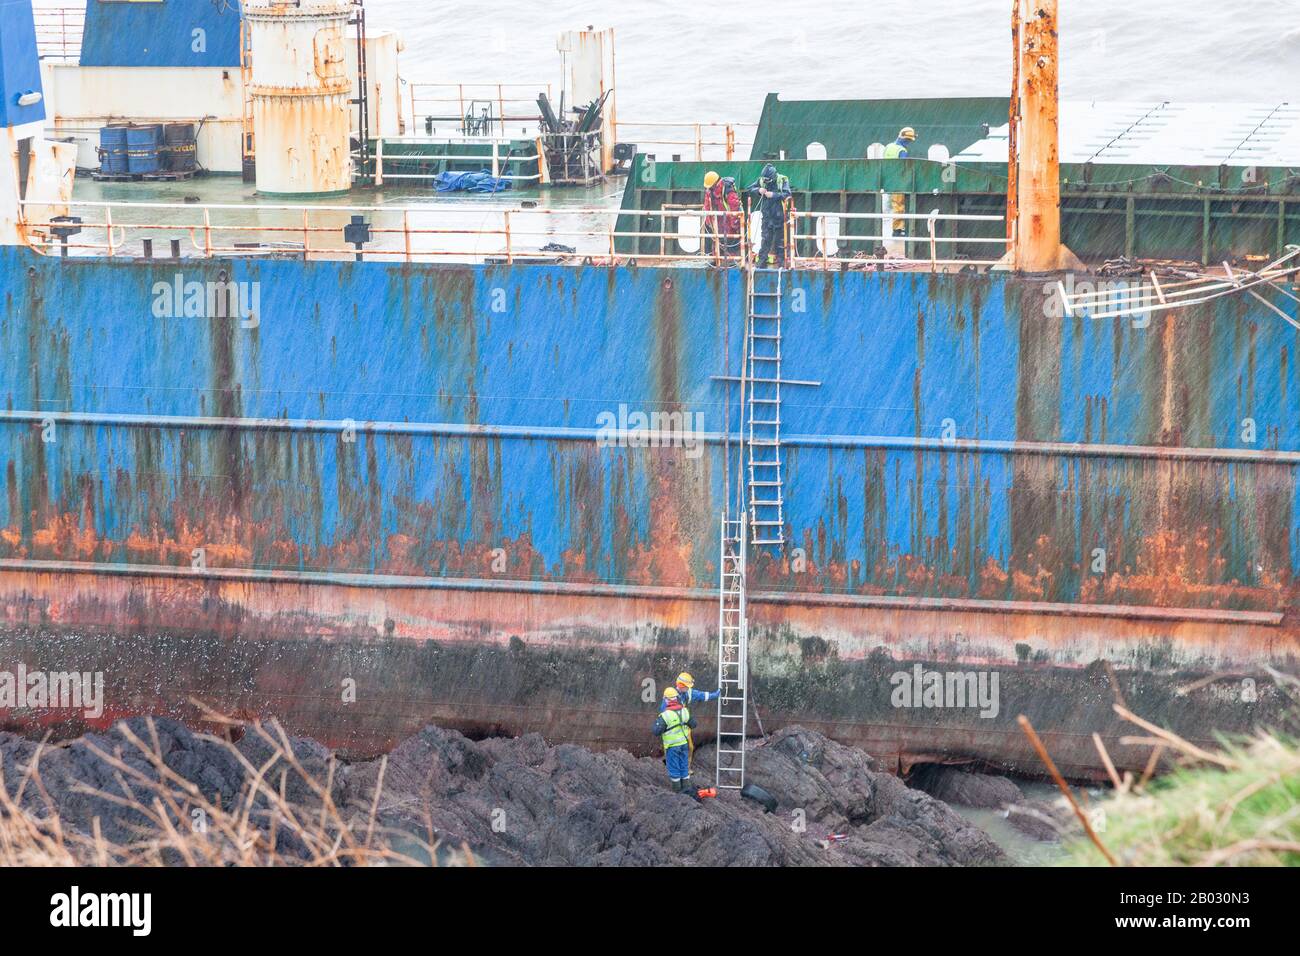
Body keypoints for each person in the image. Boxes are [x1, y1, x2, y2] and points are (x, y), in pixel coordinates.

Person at [746, 163, 793, 267]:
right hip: (767, 215)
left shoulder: (782, 180)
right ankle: (761, 262)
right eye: (765, 180)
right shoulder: (762, 181)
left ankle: (781, 263)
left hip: (779, 215)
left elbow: (787, 194)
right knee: (765, 239)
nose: (766, 182)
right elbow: (749, 188)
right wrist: (758, 190)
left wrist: (774, 195)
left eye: (768, 180)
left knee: (780, 241)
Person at [653, 686, 698, 793]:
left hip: (672, 746)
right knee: (684, 765)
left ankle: (677, 791)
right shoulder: (685, 711)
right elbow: (694, 724)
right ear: (677, 698)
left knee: (674, 768)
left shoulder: (665, 715)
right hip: (684, 744)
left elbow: (656, 731)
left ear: (666, 699)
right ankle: (686, 788)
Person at [883, 127, 916, 237]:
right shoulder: (902, 151)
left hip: (889, 180)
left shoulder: (888, 147)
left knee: (895, 205)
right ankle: (897, 229)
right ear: (905, 139)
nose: (909, 143)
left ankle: (898, 227)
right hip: (898, 181)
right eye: (909, 140)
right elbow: (904, 167)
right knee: (899, 206)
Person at [702, 171, 742, 259]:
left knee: (730, 240)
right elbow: (707, 206)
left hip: (728, 219)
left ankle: (732, 260)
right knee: (716, 240)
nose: (709, 189)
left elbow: (734, 206)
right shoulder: (710, 191)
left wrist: (734, 223)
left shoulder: (728, 190)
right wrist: (709, 222)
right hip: (718, 219)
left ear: (716, 183)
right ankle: (716, 258)